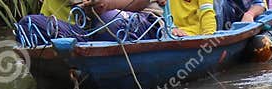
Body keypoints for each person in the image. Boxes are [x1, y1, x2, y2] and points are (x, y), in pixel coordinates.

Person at [16, 0, 164, 46]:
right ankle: (81, 52)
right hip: (78, 30)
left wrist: (107, 4)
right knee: (29, 25)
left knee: (109, 22)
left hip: (129, 21)